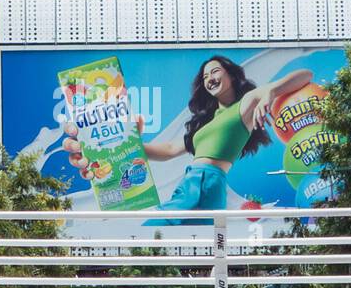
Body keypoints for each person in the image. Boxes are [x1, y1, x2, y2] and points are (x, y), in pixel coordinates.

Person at [62, 56, 315, 220]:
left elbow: (305, 75)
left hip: (206, 182)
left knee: (156, 231)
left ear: (231, 75)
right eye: (205, 77)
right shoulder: (207, 121)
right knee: (176, 241)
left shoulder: (245, 104)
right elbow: (171, 149)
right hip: (192, 181)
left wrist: (270, 91)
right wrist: (127, 144)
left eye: (215, 72)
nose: (209, 79)